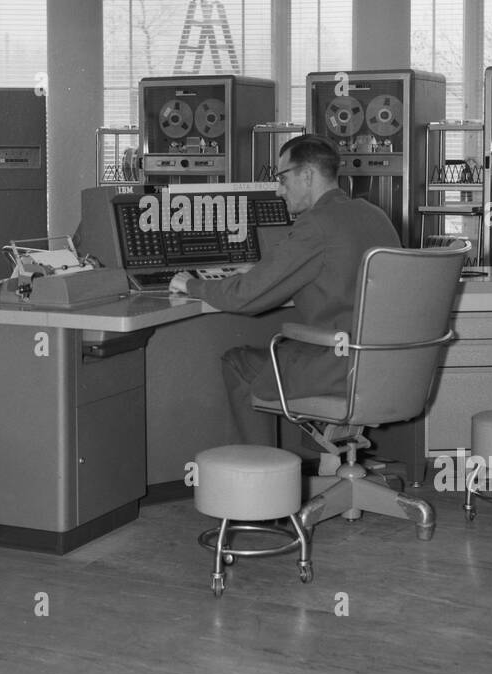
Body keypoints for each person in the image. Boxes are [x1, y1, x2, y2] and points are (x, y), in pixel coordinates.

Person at [169, 134, 400, 447]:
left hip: (339, 367)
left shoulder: (317, 224)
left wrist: (191, 284)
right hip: (385, 367)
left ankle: (261, 480)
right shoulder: (375, 215)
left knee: (239, 363)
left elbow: (244, 297)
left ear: (307, 175)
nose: (278, 190)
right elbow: (337, 270)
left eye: (282, 178)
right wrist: (263, 271)